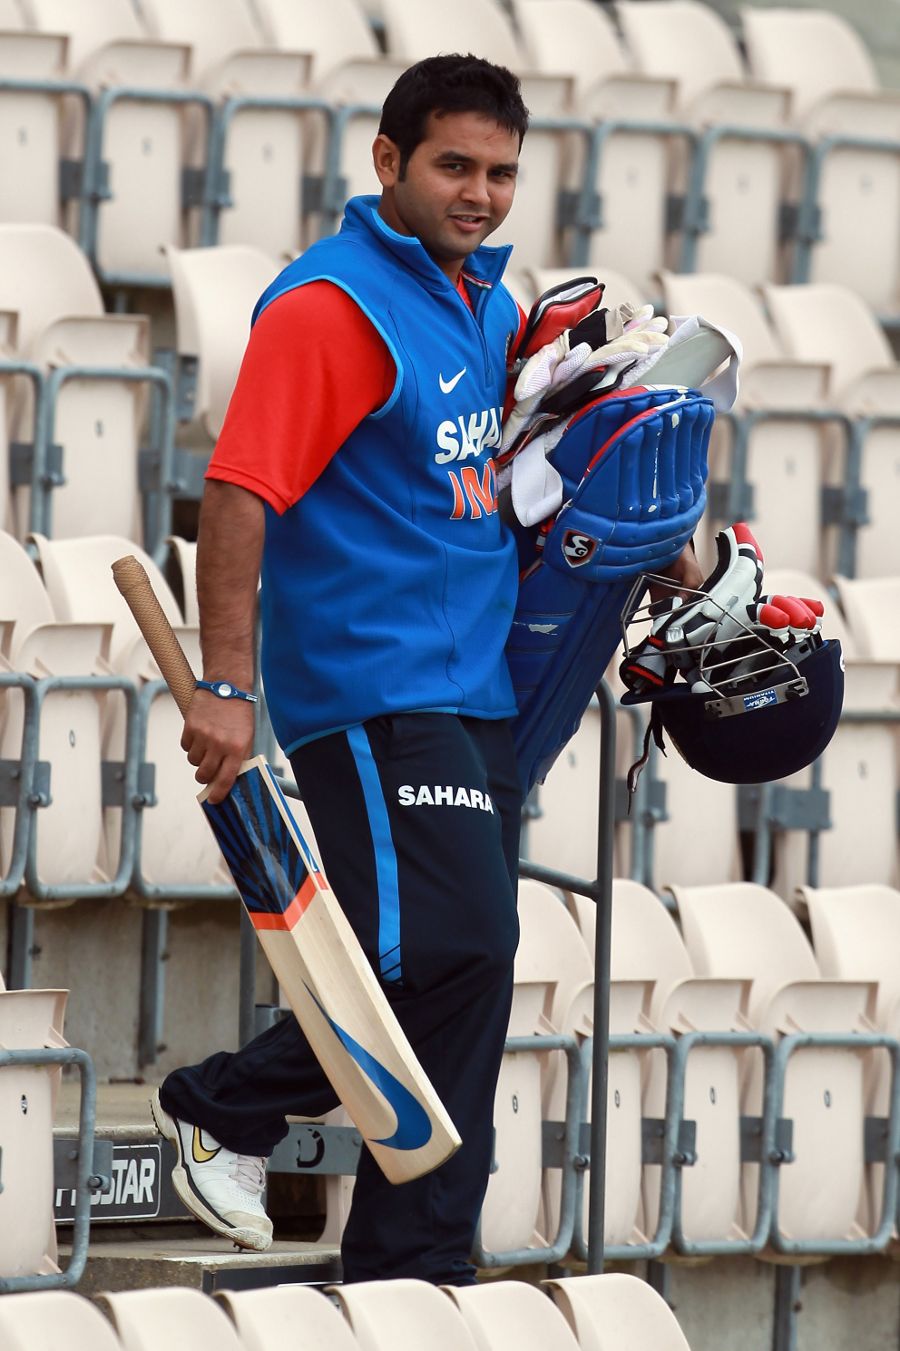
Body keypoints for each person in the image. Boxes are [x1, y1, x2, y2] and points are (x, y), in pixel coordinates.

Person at [150, 53, 701, 1285]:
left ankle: (417, 1268)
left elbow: (509, 488)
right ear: (388, 163)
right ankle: (217, 1107)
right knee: (434, 950)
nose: (482, 195)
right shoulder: (329, 307)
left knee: (478, 967)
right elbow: (239, 494)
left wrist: (643, 550)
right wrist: (225, 687)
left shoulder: (488, 308)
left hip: (481, 688)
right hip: (371, 685)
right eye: (455, 166)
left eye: (503, 172)